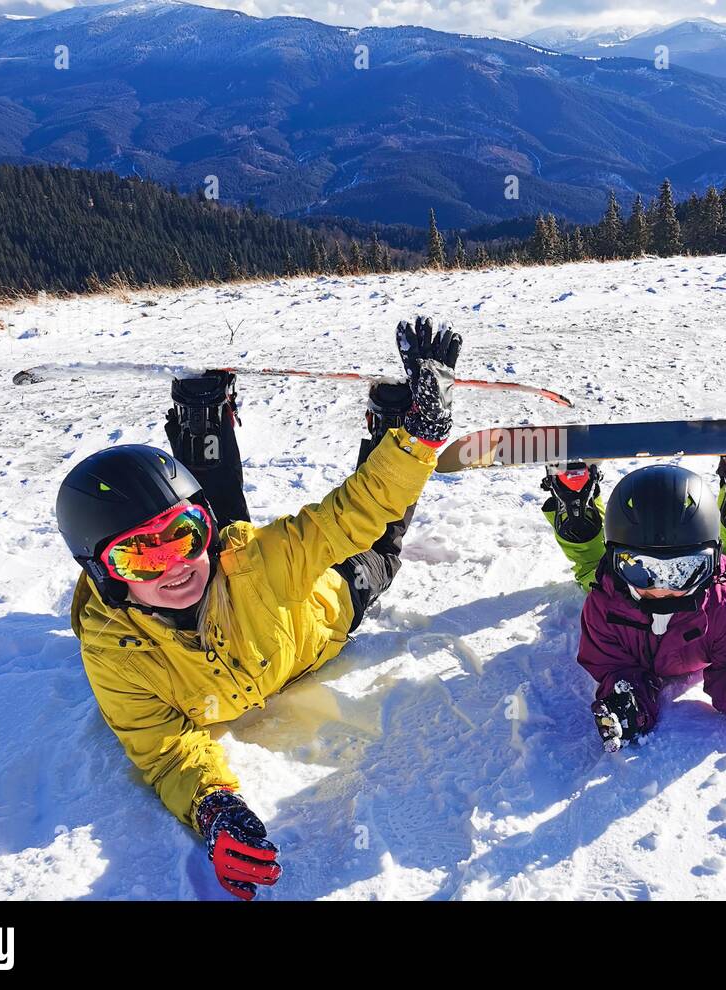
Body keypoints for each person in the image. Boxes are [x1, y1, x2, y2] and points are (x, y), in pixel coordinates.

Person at [55, 318, 461, 899]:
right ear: (102, 573)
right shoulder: (117, 657)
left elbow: (351, 515)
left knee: (368, 542)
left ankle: (216, 421)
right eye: (141, 557)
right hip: (319, 609)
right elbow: (166, 752)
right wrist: (212, 805)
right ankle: (370, 416)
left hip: (328, 592)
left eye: (185, 535)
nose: (174, 565)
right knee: (249, 534)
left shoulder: (253, 562)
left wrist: (421, 441)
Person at [540, 457, 726, 751]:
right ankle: (575, 503)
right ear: (617, 563)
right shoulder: (606, 605)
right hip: (619, 583)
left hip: (719, 592)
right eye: (639, 568)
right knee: (591, 572)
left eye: (684, 570)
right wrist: (628, 696)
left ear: (710, 564)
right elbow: (612, 665)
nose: (661, 588)